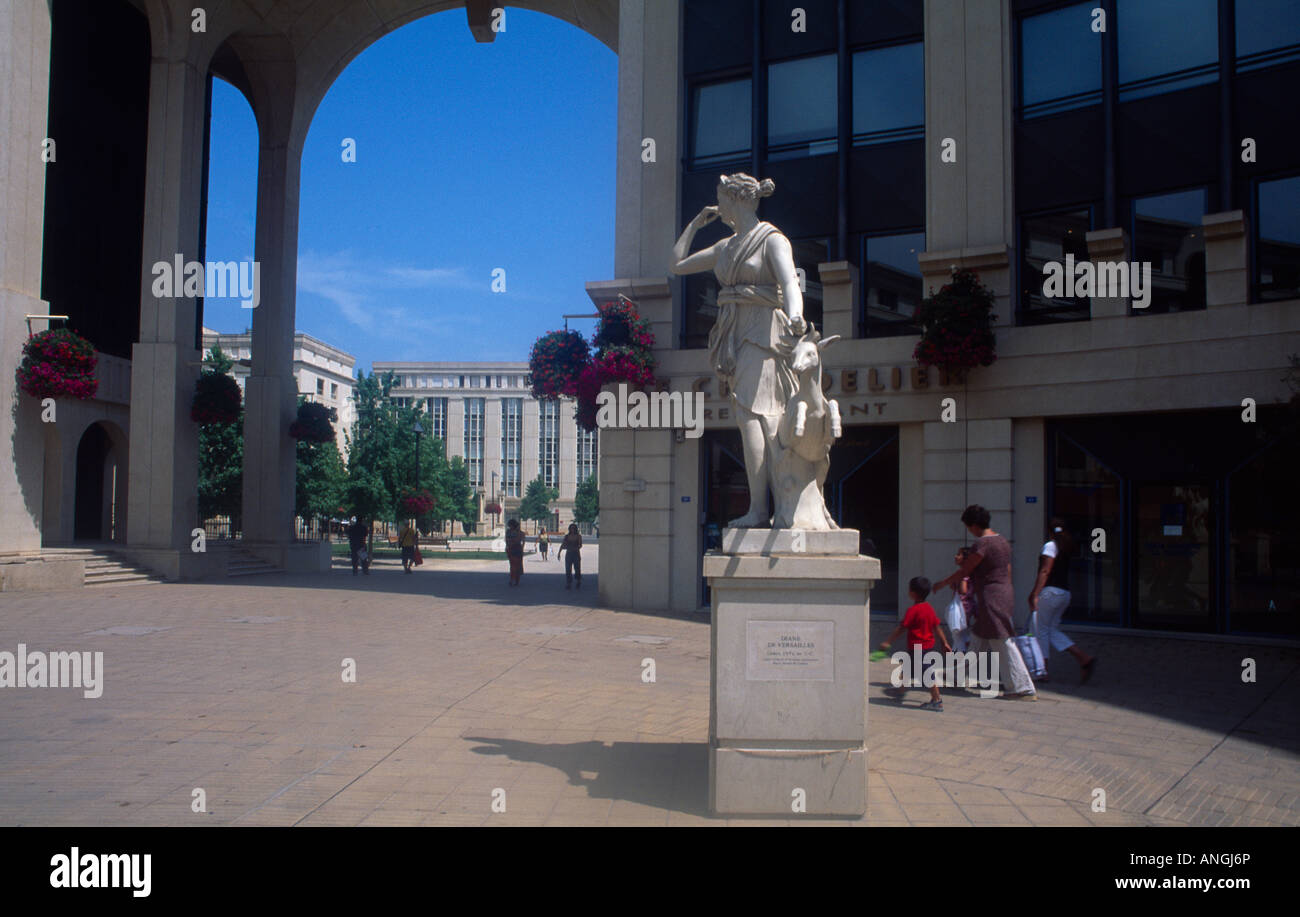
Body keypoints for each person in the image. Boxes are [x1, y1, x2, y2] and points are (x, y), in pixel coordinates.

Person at [670, 172, 804, 527]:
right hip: (735, 338)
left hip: (763, 335)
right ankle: (763, 509)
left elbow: (791, 281)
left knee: (766, 419)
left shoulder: (771, 239)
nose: (720, 205)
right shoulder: (725, 247)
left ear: (738, 199)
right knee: (749, 421)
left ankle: (778, 509)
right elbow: (677, 264)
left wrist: (796, 317)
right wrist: (695, 224)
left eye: (722, 198)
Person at [933, 504, 1037, 700]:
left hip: (991, 596)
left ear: (973, 525)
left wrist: (943, 583)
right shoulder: (1002, 541)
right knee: (979, 638)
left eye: (968, 526)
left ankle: (1022, 687)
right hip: (1003, 592)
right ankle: (958, 676)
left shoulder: (982, 544)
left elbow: (966, 570)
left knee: (1002, 640)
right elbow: (1007, 570)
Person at [1028, 517, 1097, 684]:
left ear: (1049, 531)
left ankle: (1042, 670)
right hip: (1064, 593)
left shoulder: (1050, 546)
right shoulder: (1065, 546)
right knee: (1050, 630)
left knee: (1041, 631)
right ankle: (1083, 658)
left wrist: (1034, 594)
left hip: (1050, 593)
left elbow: (1045, 570)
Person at [879, 577, 952, 711]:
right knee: (907, 668)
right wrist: (945, 642)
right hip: (927, 647)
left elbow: (901, 628)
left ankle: (937, 700)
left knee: (926, 674)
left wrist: (887, 641)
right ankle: (901, 690)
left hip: (918, 648)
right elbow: (937, 627)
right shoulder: (929, 609)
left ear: (912, 593)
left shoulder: (912, 611)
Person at [560, 523, 583, 590]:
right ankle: (568, 583)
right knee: (568, 569)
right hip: (569, 554)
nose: (572, 529)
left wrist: (576, 547)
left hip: (576, 554)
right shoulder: (567, 536)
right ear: (569, 529)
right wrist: (559, 552)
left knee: (577, 568)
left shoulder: (578, 536)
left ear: (575, 529)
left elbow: (580, 545)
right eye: (571, 528)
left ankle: (578, 580)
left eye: (573, 528)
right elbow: (563, 544)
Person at [505, 519, 525, 586]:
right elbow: (522, 540)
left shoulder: (508, 532)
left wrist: (508, 546)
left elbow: (507, 541)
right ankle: (515, 580)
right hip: (517, 549)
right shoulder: (520, 533)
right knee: (517, 566)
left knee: (513, 565)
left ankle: (512, 579)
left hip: (512, 549)